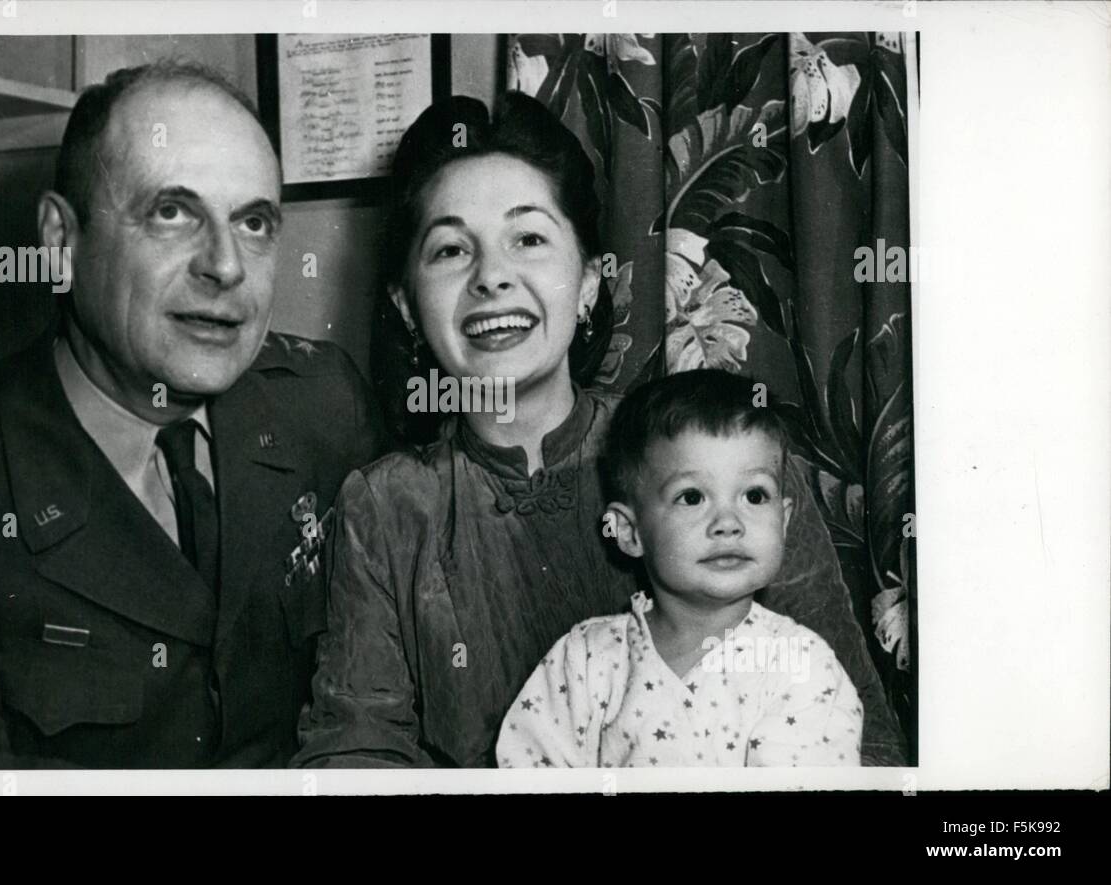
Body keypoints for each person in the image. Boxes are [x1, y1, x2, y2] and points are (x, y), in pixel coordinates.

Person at [293, 92, 905, 768]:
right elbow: (353, 749)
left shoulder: (720, 455)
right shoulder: (383, 510)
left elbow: (862, 733)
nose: (492, 277)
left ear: (588, 280)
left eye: (528, 238)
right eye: (449, 250)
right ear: (407, 306)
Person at [0, 62, 384, 769]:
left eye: (253, 222)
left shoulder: (320, 402)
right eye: (172, 213)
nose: (225, 266)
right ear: (59, 241)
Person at [497, 370, 862, 767]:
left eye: (755, 495)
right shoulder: (584, 661)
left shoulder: (802, 664)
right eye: (692, 497)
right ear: (630, 532)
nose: (729, 522)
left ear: (784, 521)